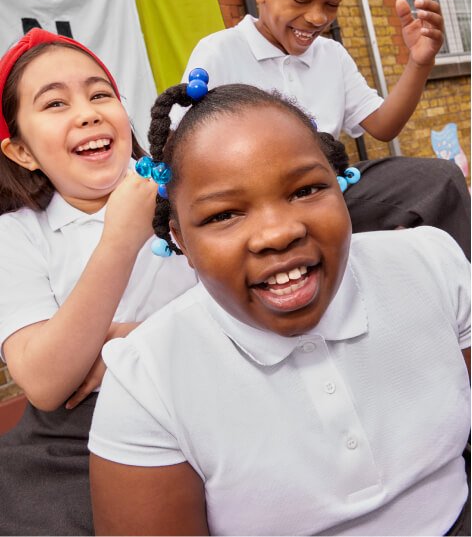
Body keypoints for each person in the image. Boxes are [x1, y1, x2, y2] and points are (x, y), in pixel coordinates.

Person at [89, 76, 470, 536]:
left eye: (306, 190)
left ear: (341, 185)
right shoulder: (146, 381)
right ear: (179, 240)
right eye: (223, 214)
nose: (278, 233)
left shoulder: (430, 263)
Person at [179, 0, 470, 260]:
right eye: (301, 0)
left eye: (332, 3)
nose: (318, 17)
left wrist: (420, 62)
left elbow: (384, 126)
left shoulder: (331, 56)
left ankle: (458, 296)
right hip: (257, 211)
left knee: (441, 181)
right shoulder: (219, 53)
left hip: (328, 193)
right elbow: (183, 153)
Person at [0, 29, 197, 536]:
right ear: (21, 151)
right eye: (56, 103)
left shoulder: (190, 188)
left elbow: (256, 299)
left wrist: (126, 344)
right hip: (76, 433)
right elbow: (45, 382)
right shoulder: (17, 235)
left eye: (100, 93)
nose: (86, 112)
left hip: (205, 393)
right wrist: (120, 239)